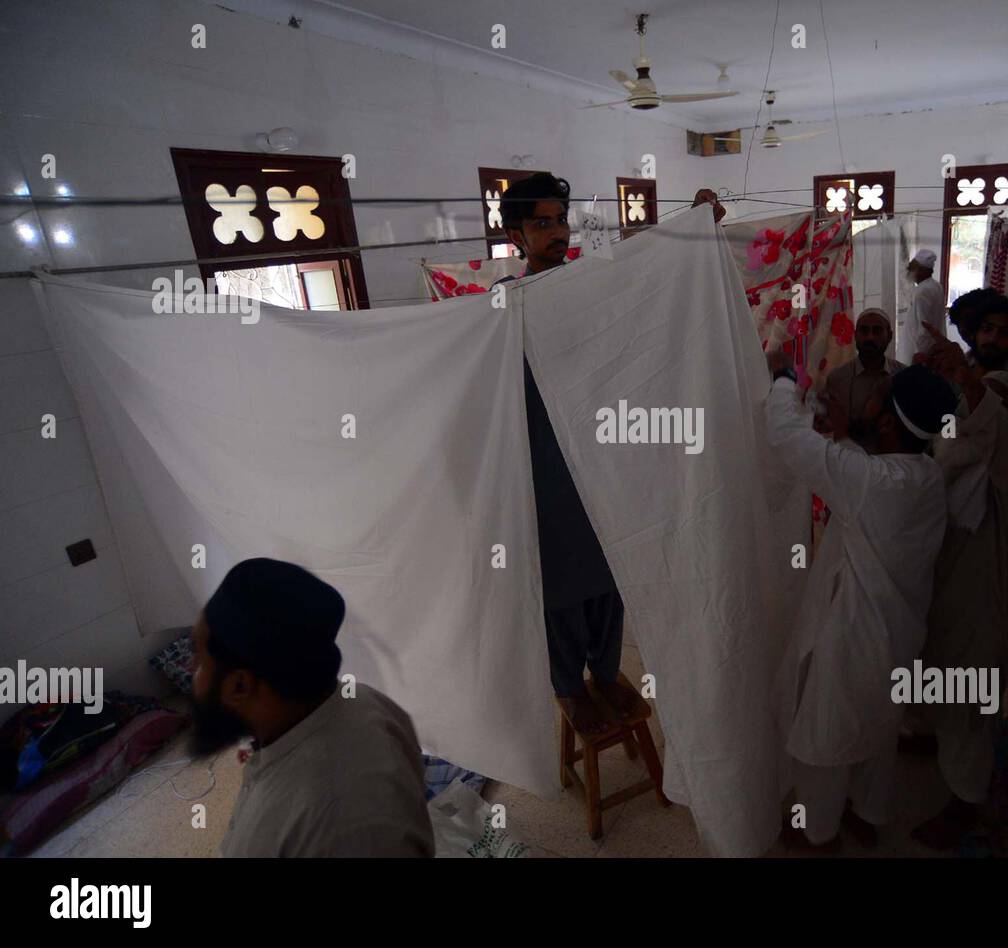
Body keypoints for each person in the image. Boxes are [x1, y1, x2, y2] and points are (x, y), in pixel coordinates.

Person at [491, 174, 723, 737]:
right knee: (562, 575)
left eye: (560, 219)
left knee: (611, 559)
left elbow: (645, 284)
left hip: (603, 449)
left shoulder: (588, 283)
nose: (556, 232)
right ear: (516, 233)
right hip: (545, 459)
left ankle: (606, 666)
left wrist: (694, 230)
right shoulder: (507, 304)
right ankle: (568, 683)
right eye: (541, 223)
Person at [765, 350, 956, 850]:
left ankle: (817, 832)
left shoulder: (869, 484)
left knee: (827, 735)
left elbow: (787, 437)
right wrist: (847, 433)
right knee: (879, 728)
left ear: (889, 423)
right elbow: (852, 460)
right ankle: (869, 813)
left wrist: (784, 379)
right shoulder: (928, 477)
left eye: (878, 398)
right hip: (900, 632)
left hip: (854, 636)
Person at [189, 558, 436, 858]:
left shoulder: (338, 824)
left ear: (239, 685)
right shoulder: (364, 700)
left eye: (200, 662)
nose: (192, 673)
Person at [912, 323, 1008, 849]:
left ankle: (968, 804)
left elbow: (991, 434)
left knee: (967, 699)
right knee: (938, 675)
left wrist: (973, 385)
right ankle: (934, 739)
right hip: (949, 589)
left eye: (1001, 398)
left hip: (980, 596)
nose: (989, 405)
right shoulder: (960, 445)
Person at [951, 293, 1008, 451]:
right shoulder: (960, 371)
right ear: (974, 332)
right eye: (987, 329)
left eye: (1004, 333)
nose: (993, 339)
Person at [821, 308, 902, 434]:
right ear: (855, 335)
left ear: (890, 336)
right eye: (864, 331)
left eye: (877, 331)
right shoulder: (838, 378)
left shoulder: (902, 374)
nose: (870, 337)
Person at [901, 249, 945, 362]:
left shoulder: (922, 292)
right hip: (932, 349)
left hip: (919, 353)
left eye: (912, 267)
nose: (908, 269)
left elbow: (924, 328)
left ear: (922, 270)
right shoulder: (935, 286)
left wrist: (921, 354)